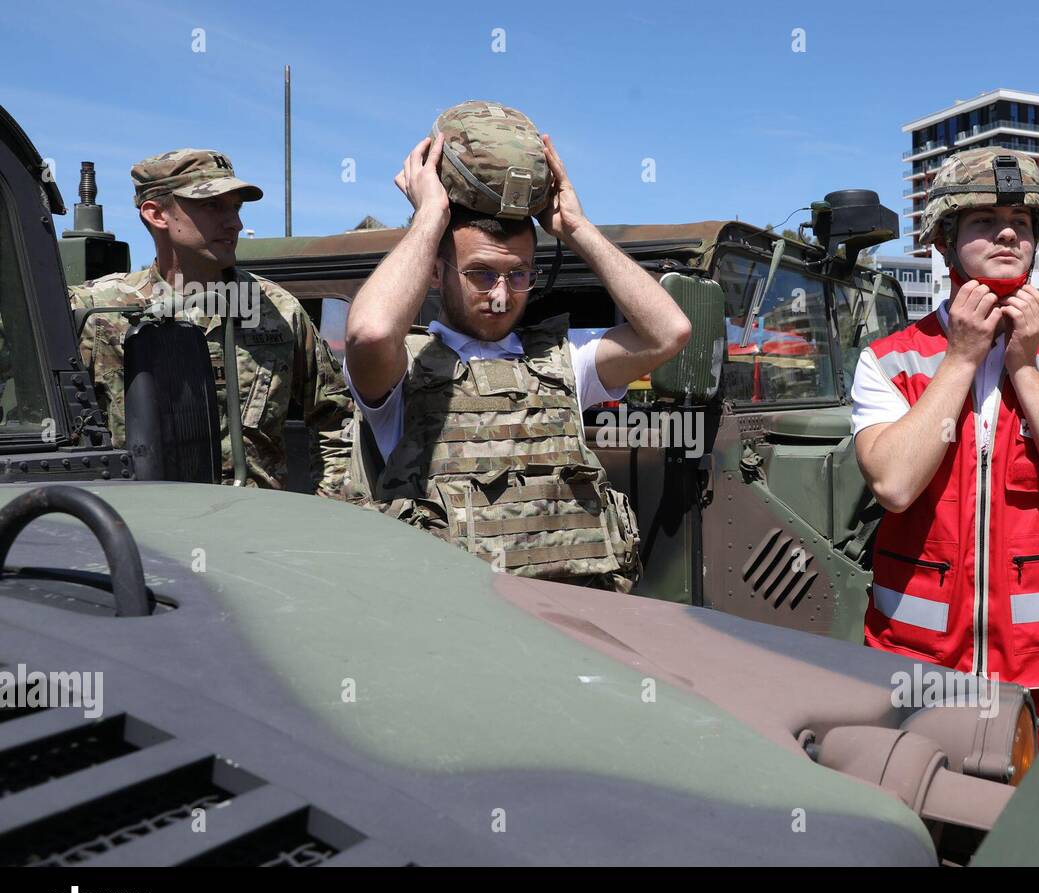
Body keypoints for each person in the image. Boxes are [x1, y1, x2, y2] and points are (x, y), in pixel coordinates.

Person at [344, 100, 692, 590]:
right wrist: (430, 217)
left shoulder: (563, 360)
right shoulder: (403, 371)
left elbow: (670, 331)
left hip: (572, 626)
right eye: (481, 274)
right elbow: (372, 332)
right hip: (454, 633)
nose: (502, 296)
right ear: (438, 273)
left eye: (519, 275)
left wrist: (576, 228)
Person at [851, 147, 1039, 747]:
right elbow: (894, 484)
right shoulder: (889, 360)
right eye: (982, 221)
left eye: (1021, 224)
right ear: (944, 241)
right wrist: (963, 358)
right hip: (919, 670)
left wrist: (1026, 368)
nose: (1006, 232)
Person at [69, 149, 353, 495]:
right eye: (212, 206)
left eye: (235, 208)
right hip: (142, 533)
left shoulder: (276, 310)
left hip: (256, 533)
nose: (233, 222)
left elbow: (335, 421)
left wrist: (332, 514)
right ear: (156, 214)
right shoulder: (100, 312)